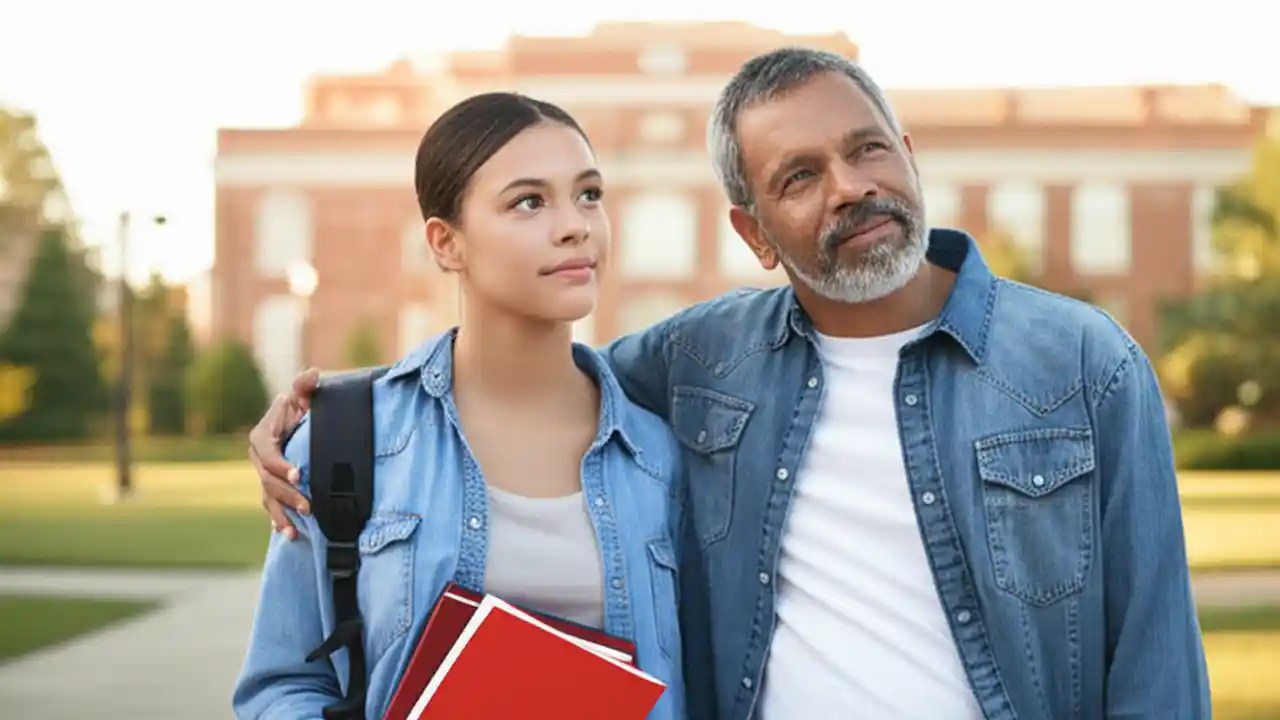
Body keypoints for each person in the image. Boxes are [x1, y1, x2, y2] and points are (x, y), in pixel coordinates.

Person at [248, 49, 1211, 719]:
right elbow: (507, 375)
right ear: (752, 234)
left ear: (909, 158)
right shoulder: (702, 367)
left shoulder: (1083, 361)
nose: (849, 186)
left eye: (867, 149)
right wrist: (332, 410)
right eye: (798, 176)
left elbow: (1160, 670)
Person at [232, 92, 687, 720]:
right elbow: (281, 684)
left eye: (588, 194)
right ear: (447, 244)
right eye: (529, 201)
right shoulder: (345, 442)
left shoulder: (665, 455)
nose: (576, 224)